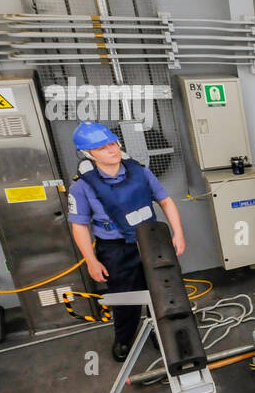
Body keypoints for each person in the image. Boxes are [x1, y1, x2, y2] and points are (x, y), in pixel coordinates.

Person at [66, 121, 186, 363]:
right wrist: (91, 261)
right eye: (102, 147)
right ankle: (123, 339)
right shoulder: (82, 185)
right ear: (89, 154)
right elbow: (79, 225)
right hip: (116, 249)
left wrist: (178, 233)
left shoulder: (140, 171)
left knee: (162, 291)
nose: (111, 150)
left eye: (112, 143)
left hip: (151, 242)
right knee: (125, 298)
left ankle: (161, 332)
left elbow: (165, 201)